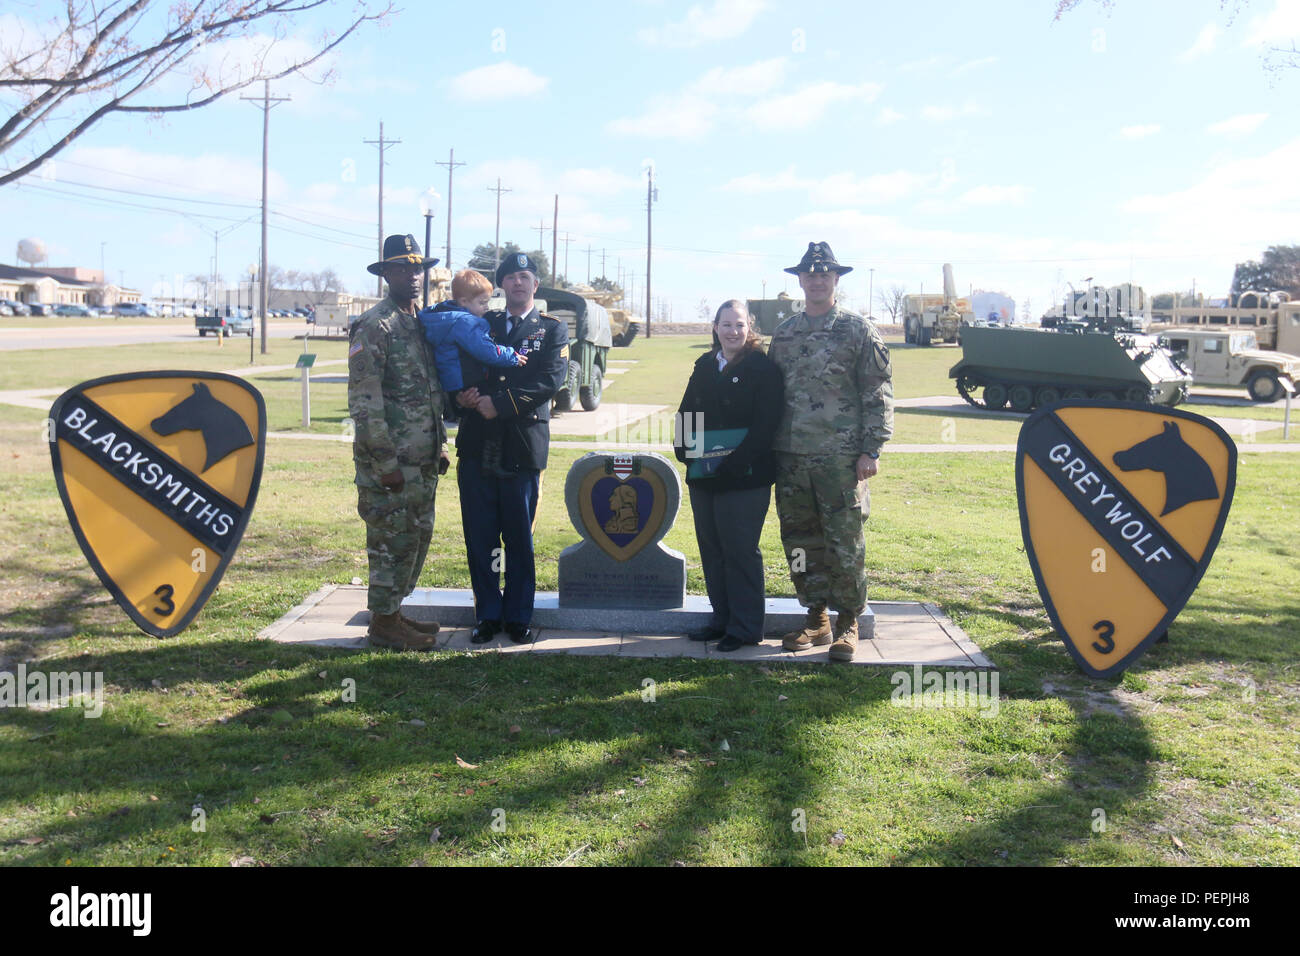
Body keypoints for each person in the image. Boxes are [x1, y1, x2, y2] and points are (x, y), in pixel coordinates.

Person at [767, 242, 893, 662]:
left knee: (845, 543)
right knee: (800, 542)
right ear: (800, 280)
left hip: (841, 461)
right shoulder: (784, 334)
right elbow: (770, 396)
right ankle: (815, 616)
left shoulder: (857, 330)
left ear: (836, 280)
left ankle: (848, 622)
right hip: (791, 458)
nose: (817, 280)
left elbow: (877, 390)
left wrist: (871, 448)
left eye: (825, 274)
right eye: (810, 274)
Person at [454, 253, 568, 645]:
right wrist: (464, 398)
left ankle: (518, 615)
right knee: (480, 535)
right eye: (510, 277)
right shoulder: (479, 323)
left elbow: (550, 380)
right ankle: (487, 614)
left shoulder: (553, 329)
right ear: (501, 285)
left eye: (525, 276)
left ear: (535, 284)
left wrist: (498, 404)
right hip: (477, 446)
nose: (518, 283)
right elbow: (458, 366)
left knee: (519, 536)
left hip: (521, 445)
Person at [348, 234, 450, 651]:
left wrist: (440, 444)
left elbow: (428, 391)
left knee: (415, 536)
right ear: (386, 273)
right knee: (389, 540)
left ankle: (392, 613)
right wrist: (384, 462)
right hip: (391, 463)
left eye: (417, 268)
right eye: (402, 268)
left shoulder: (420, 321)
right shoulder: (377, 325)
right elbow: (364, 402)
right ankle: (385, 626)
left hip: (423, 458)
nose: (412, 276)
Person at [673, 300, 784, 652]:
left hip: (745, 476)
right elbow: (687, 410)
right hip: (704, 474)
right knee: (712, 548)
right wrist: (682, 447)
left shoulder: (763, 368)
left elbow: (767, 425)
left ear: (750, 328)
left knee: (739, 550)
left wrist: (734, 463)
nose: (733, 331)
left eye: (739, 325)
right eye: (726, 325)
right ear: (715, 328)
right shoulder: (705, 364)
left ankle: (746, 627)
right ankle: (721, 619)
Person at [418, 269, 527, 411]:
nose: (487, 307)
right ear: (463, 302)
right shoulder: (465, 323)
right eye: (482, 303)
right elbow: (486, 351)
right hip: (467, 380)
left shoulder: (441, 316)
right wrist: (511, 356)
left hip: (451, 381)